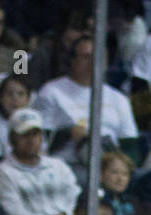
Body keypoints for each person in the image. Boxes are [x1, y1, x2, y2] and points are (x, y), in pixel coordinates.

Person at [32, 35, 140, 166]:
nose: (93, 63)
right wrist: (67, 133)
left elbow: (130, 144)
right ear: (72, 60)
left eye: (99, 57)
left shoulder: (119, 99)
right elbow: (37, 138)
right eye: (86, 57)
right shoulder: (51, 91)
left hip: (109, 167)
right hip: (67, 164)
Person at [0, 108, 81, 215]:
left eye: (35, 134)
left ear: (42, 137)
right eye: (24, 135)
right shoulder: (1, 173)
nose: (31, 140)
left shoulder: (58, 166)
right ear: (12, 138)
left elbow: (76, 196)